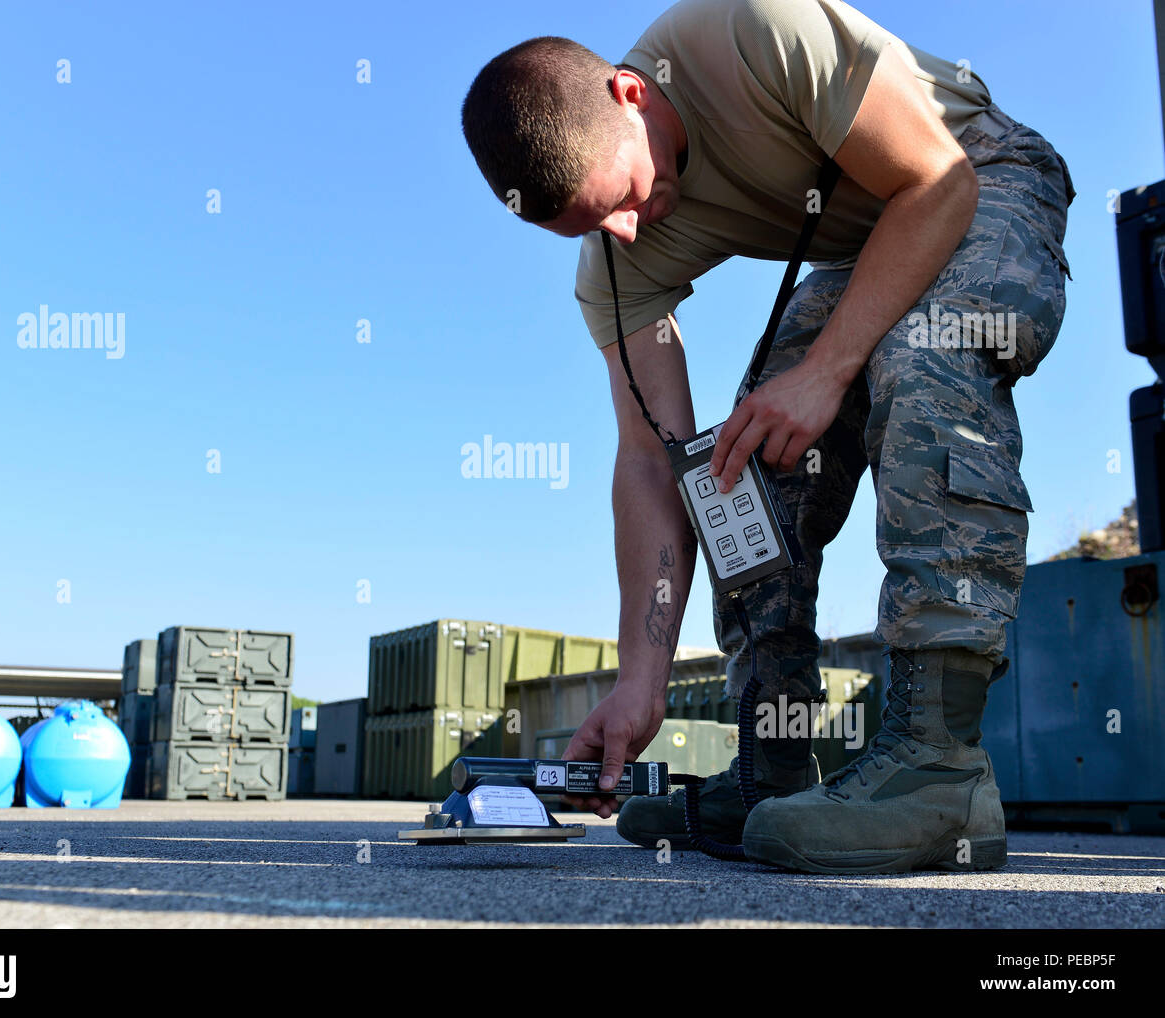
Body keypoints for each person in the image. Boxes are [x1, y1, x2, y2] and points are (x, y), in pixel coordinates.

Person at [460, 0, 1074, 873]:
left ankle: (942, 772)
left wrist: (825, 372)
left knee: (920, 358)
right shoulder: (614, 255)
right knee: (731, 470)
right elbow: (648, 461)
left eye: (626, 199)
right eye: (594, 227)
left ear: (631, 93)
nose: (627, 233)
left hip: (978, 174)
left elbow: (938, 185)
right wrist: (642, 684)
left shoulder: (755, 33)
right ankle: (771, 764)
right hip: (864, 246)